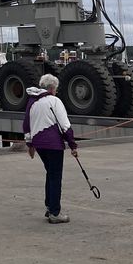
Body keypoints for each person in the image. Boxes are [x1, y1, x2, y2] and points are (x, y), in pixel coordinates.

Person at [23, 73, 78, 223]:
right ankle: (54, 212)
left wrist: (30, 144)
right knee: (55, 176)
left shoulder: (32, 102)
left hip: (39, 144)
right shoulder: (54, 101)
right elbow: (65, 125)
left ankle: (49, 206)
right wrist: (72, 144)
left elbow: (26, 125)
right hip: (53, 144)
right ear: (53, 88)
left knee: (50, 173)